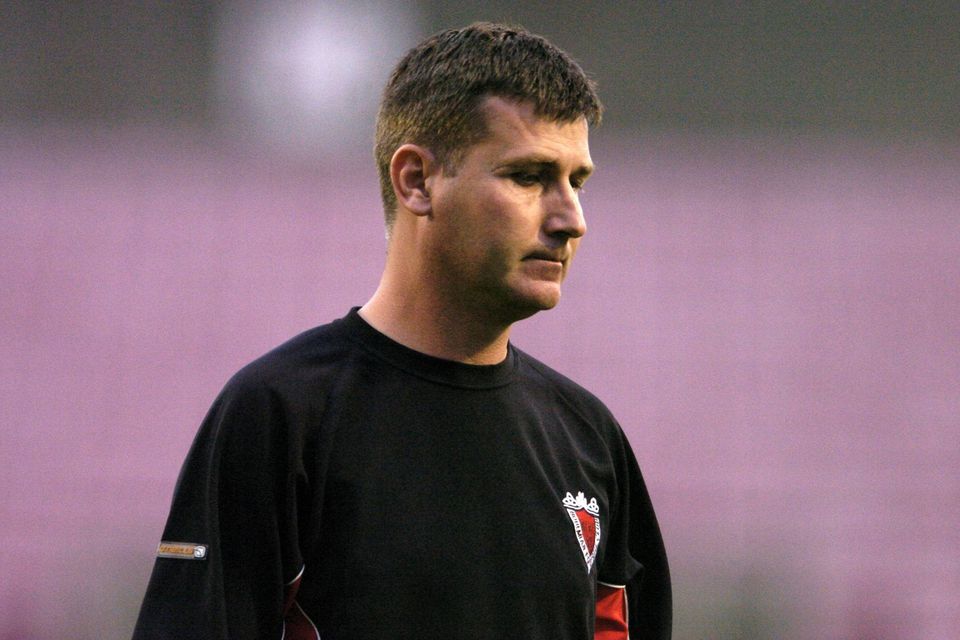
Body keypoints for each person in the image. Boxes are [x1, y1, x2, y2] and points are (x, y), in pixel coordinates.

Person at [132, 22, 671, 640]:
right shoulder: (281, 415)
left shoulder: (591, 441)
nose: (571, 220)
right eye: (529, 176)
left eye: (577, 182)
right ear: (416, 181)